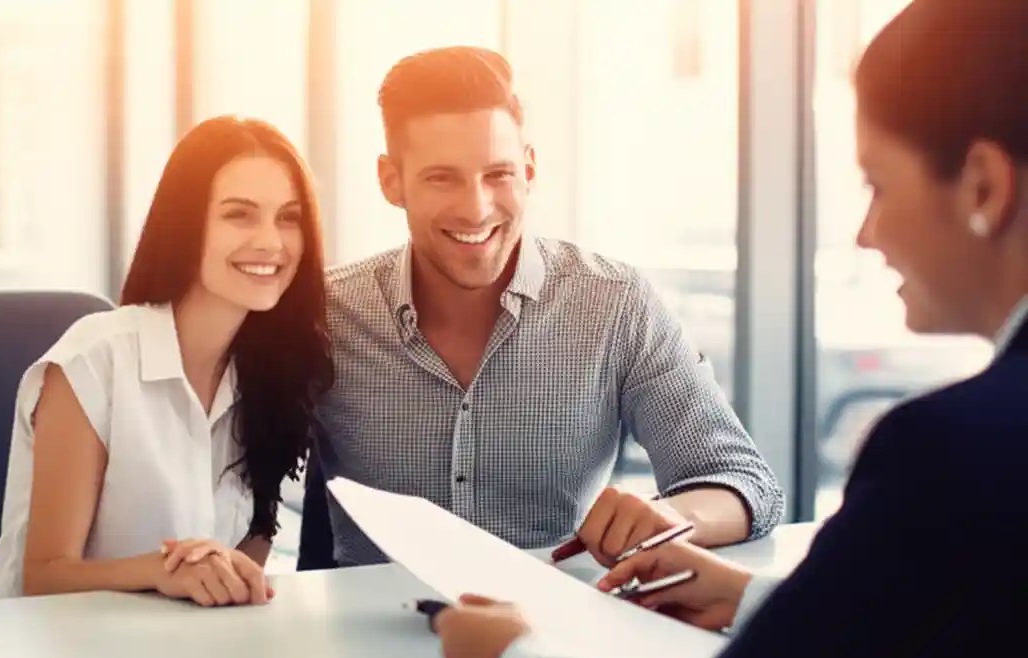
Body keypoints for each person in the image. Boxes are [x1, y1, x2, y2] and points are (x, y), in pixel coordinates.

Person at [433, 1, 1028, 658]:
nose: (867, 235)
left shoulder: (946, 450)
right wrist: (751, 598)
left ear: (984, 189)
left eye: (877, 185)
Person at [301, 46, 784, 570]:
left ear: (529, 169)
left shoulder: (613, 304)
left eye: (498, 174)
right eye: (443, 178)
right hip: (367, 639)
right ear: (390, 180)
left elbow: (744, 482)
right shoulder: (327, 315)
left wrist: (673, 519)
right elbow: (236, 482)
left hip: (555, 635)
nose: (477, 207)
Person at [0, 116, 333, 606]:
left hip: (181, 657)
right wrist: (168, 570)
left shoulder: (270, 378)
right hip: (51, 654)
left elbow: (246, 555)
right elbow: (45, 577)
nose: (271, 242)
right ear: (187, 223)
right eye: (239, 215)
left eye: (288, 218)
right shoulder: (95, 360)